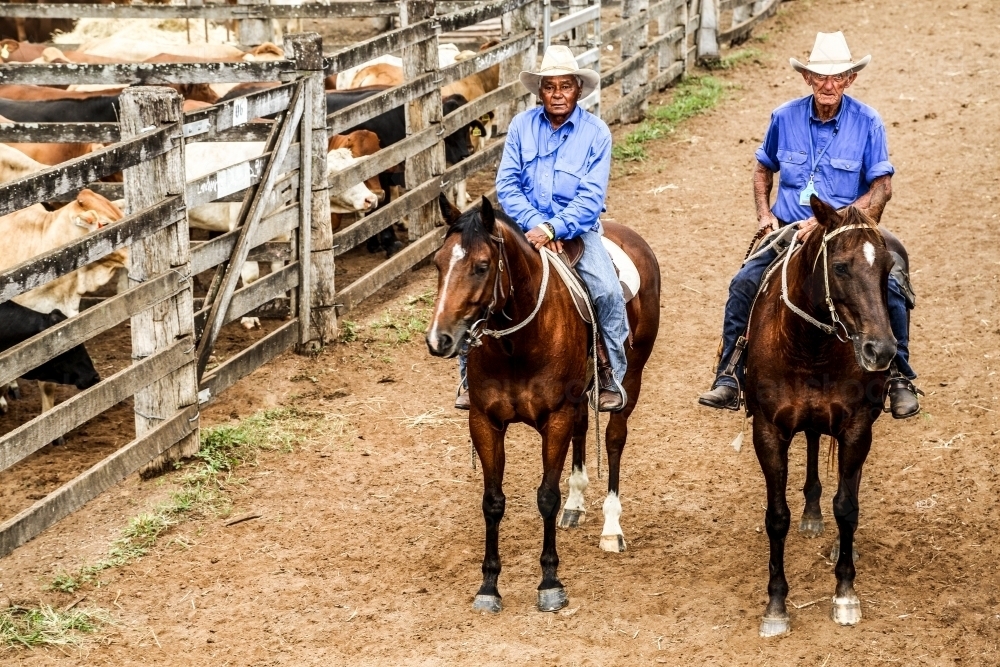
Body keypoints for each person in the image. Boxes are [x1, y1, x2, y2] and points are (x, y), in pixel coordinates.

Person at [697, 31, 921, 418]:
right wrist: (765, 215)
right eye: (820, 76)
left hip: (848, 228)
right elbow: (762, 168)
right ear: (807, 78)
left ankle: (899, 374)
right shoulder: (784, 117)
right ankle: (730, 372)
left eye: (838, 77)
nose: (829, 84)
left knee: (891, 283)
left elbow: (882, 188)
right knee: (744, 283)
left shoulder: (868, 121)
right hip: (788, 226)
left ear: (850, 79)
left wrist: (838, 221)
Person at [454, 45, 629, 413]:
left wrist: (554, 228)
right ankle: (468, 376)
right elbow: (507, 185)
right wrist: (535, 227)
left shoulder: (596, 133)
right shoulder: (522, 126)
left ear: (579, 89)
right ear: (540, 92)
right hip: (521, 228)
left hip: (576, 230)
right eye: (550, 87)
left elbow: (591, 197)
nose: (558, 94)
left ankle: (609, 371)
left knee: (608, 291)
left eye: (566, 86)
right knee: (476, 277)